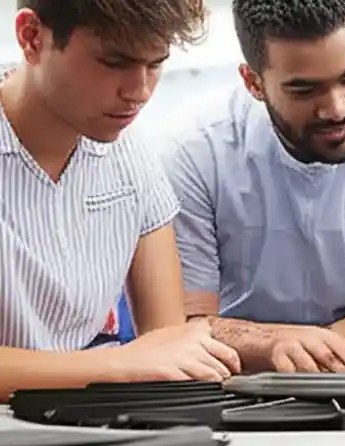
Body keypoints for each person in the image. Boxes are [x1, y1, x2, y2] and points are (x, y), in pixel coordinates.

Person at [165, 0, 345, 374]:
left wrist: (305, 353)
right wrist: (273, 344)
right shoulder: (194, 152)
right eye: (305, 91)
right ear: (253, 82)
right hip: (228, 380)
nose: (337, 109)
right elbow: (183, 326)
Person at [0, 0, 241, 402]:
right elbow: (147, 357)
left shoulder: (132, 158)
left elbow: (166, 343)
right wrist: (117, 365)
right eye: (114, 62)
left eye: (155, 64)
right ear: (31, 37)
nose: (139, 91)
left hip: (90, 428)